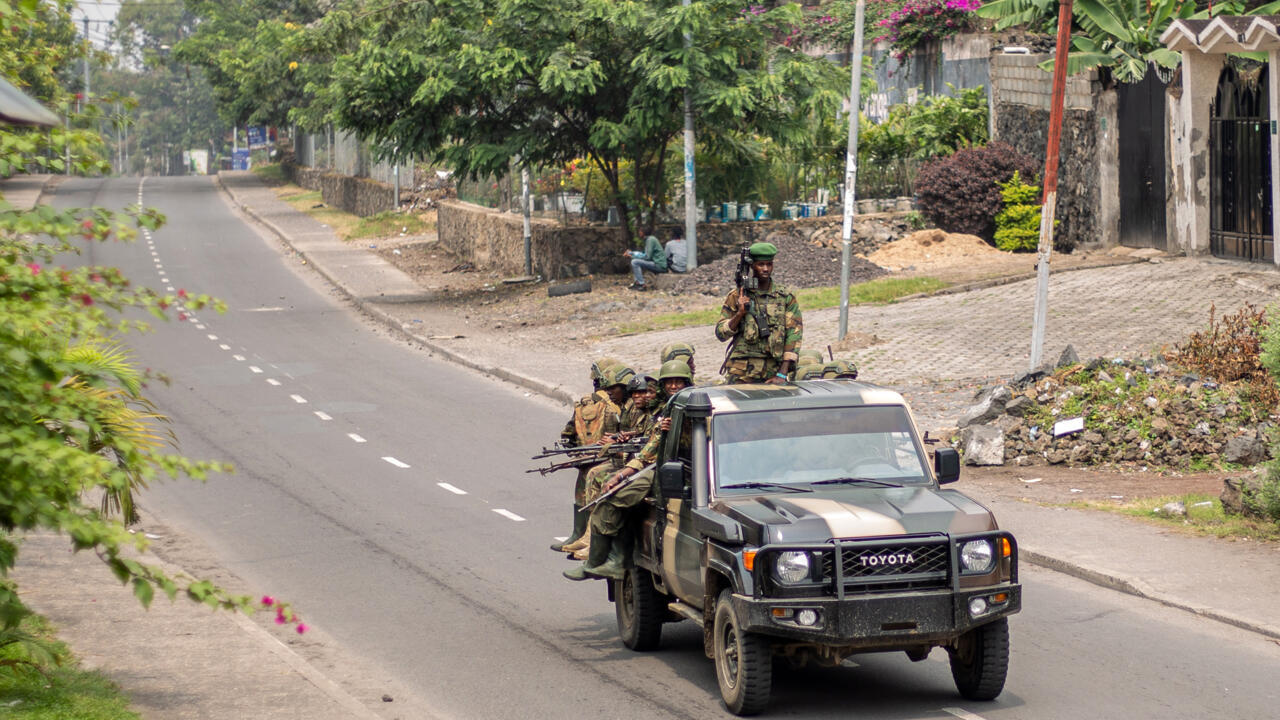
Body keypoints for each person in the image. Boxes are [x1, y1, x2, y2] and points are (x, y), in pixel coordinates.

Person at [564, 360, 693, 581]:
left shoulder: (693, 406)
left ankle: (607, 562)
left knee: (614, 499)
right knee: (609, 492)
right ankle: (597, 560)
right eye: (669, 382)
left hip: (678, 470)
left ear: (687, 382)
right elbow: (651, 447)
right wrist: (623, 473)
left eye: (678, 382)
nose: (673, 386)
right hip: (658, 465)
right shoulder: (668, 410)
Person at [550, 359, 624, 554]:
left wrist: (576, 453)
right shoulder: (619, 404)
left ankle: (587, 538)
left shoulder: (592, 404)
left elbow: (568, 434)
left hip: (602, 461)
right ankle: (581, 536)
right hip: (604, 460)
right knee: (586, 496)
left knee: (588, 496)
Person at [715, 242, 803, 384]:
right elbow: (721, 333)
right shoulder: (737, 295)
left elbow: (794, 335)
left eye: (769, 264)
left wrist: (782, 374)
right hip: (741, 374)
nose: (765, 269)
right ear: (752, 266)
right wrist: (739, 314)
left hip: (772, 372)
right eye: (760, 264)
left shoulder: (785, 297)